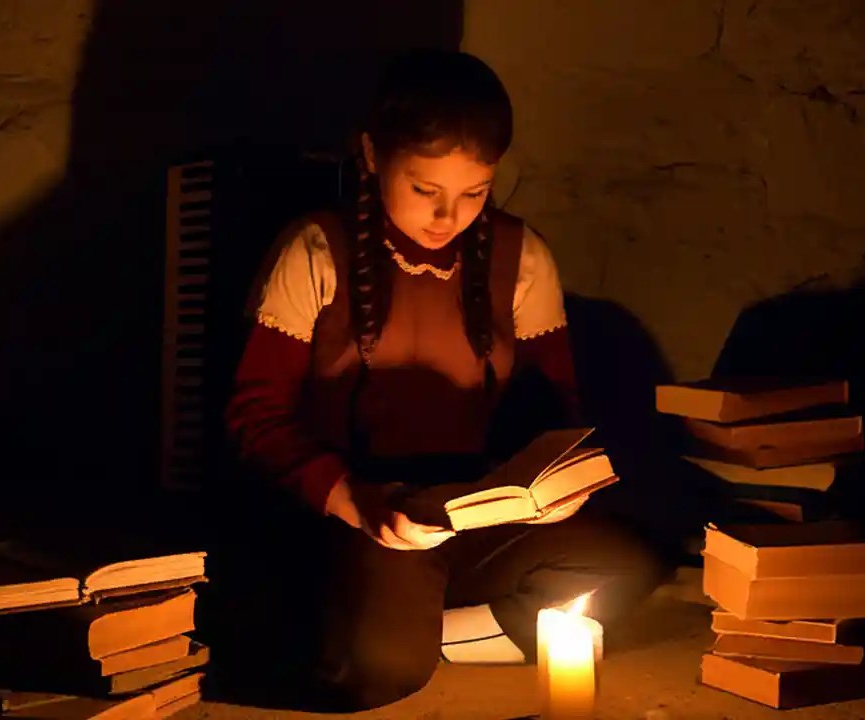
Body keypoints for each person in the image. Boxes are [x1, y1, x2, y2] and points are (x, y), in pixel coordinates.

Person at [224, 49, 668, 712]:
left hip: (470, 514)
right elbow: (254, 418)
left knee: (626, 566)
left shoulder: (522, 258)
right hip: (361, 518)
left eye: (474, 194)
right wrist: (358, 501)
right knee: (375, 672)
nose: (447, 216)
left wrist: (553, 482)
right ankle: (389, 630)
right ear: (372, 156)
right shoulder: (317, 249)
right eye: (425, 190)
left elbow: (557, 410)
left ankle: (420, 631)